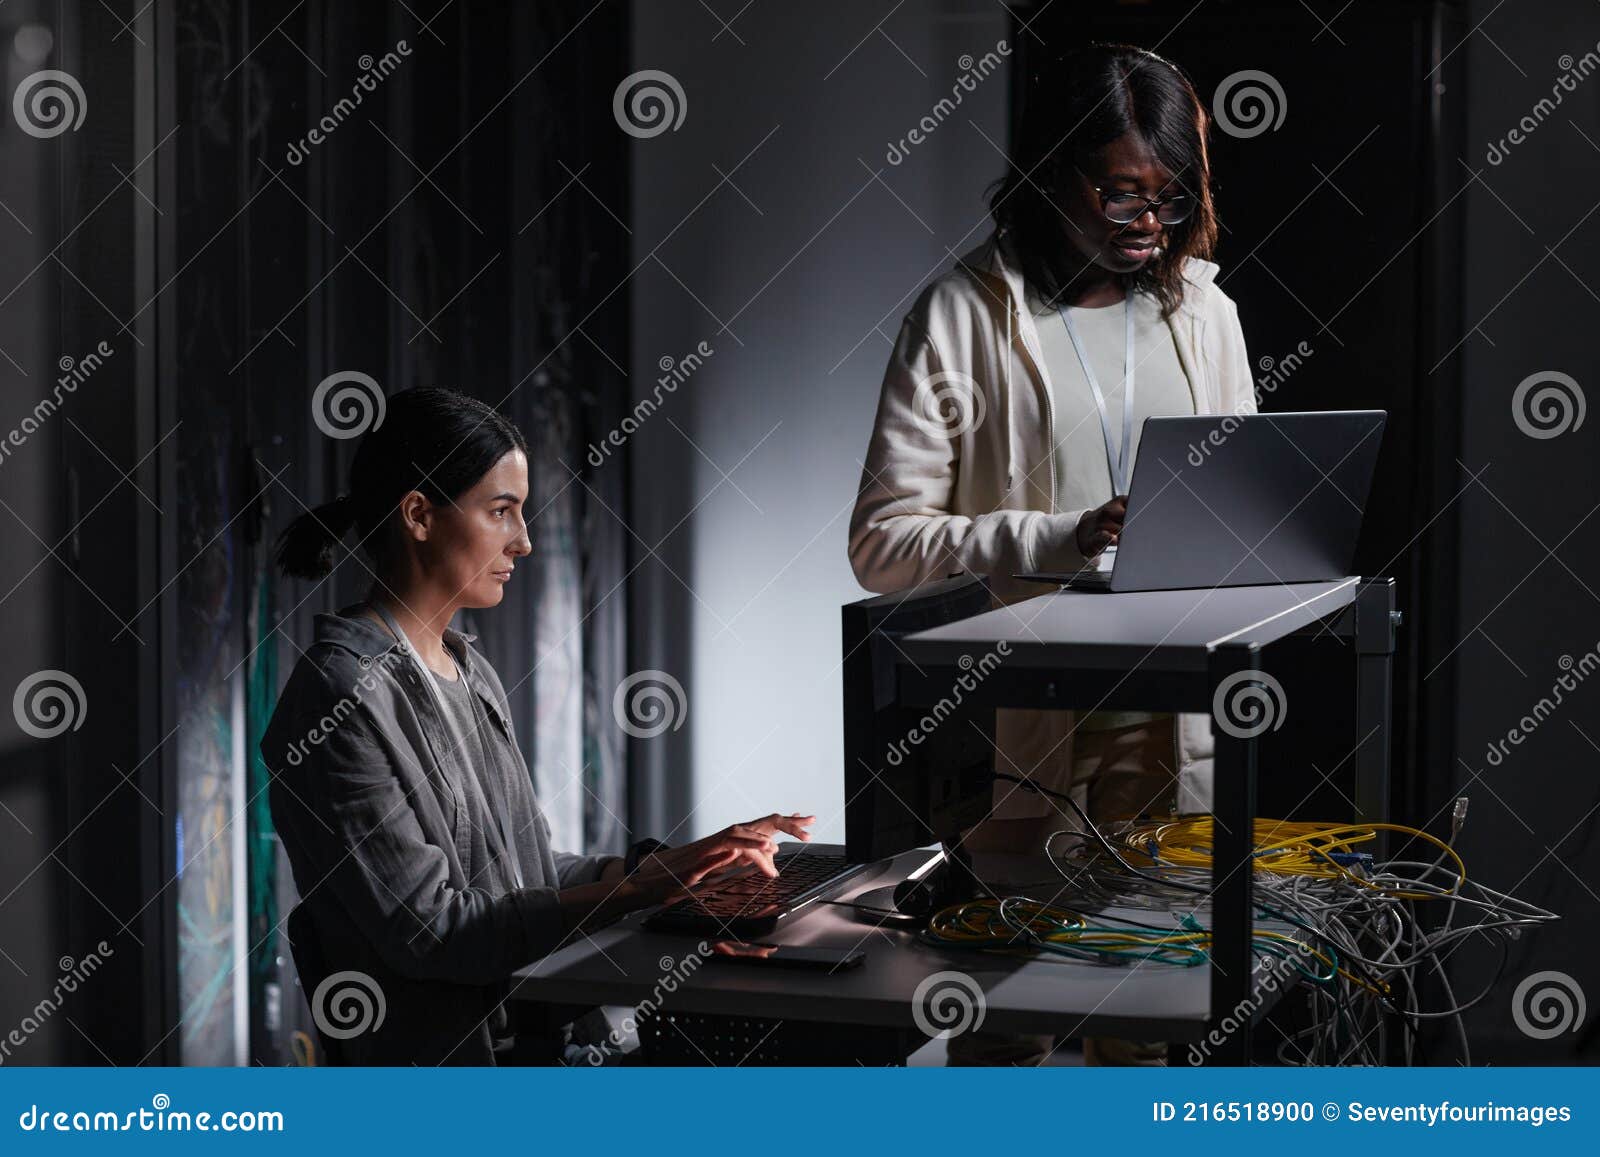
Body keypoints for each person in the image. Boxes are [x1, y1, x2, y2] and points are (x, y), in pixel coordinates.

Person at [848, 43, 1257, 1065]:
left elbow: (1251, 520)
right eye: (1119, 191)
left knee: (1153, 1047)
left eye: (1169, 196)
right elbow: (881, 543)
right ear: (1047, 170)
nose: (1146, 224)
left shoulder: (1204, 316)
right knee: (1009, 1041)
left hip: (1177, 740)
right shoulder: (960, 317)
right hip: (1024, 743)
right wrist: (1057, 535)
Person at [262, 386, 813, 1065]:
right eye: (502, 511)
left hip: (544, 1042)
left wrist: (665, 866)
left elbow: (522, 874)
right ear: (419, 515)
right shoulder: (339, 697)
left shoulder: (469, 669)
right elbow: (434, 930)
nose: (523, 541)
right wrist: (636, 891)